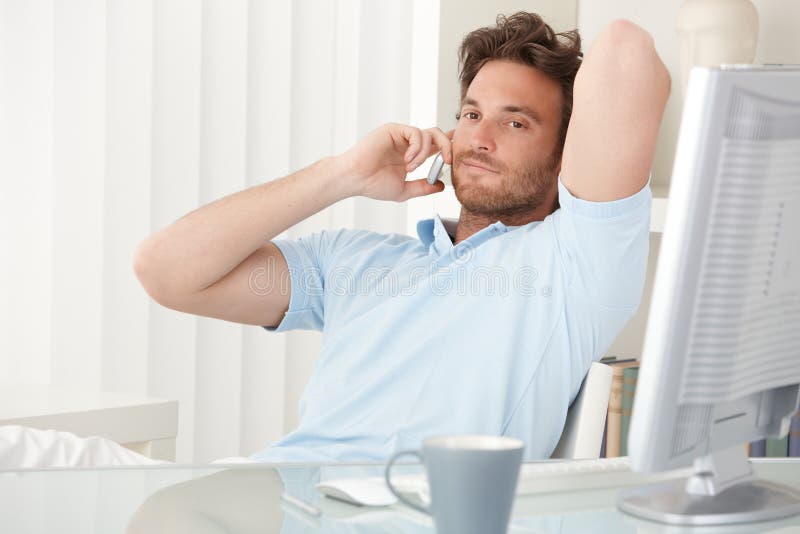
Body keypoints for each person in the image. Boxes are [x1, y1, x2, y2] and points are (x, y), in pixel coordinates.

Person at [4, 12, 670, 469]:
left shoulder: (571, 266)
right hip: (256, 493)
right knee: (21, 459)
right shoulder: (360, 264)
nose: (479, 138)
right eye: (470, 114)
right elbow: (166, 270)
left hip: (374, 517)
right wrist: (342, 174)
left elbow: (625, 51)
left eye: (515, 123)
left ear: (564, 154)